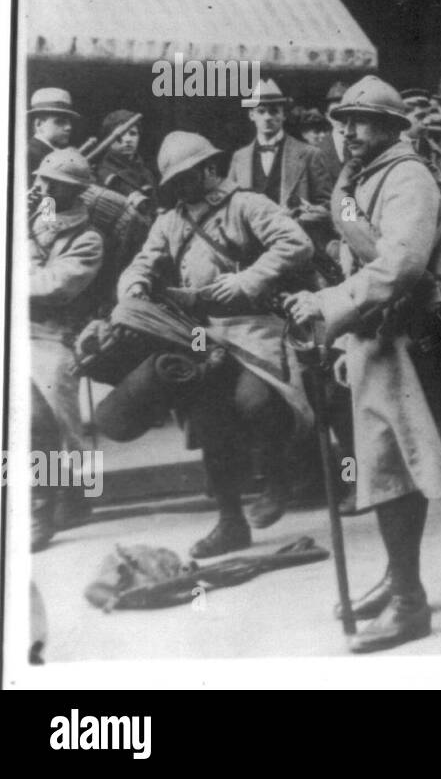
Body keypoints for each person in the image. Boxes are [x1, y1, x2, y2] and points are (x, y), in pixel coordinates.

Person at [284, 76, 441, 652]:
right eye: (343, 121)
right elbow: (354, 266)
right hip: (374, 340)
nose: (347, 131)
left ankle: (410, 604)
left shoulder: (408, 176)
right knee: (385, 464)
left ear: (392, 128)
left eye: (361, 120)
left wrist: (324, 307)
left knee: (393, 467)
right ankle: (399, 579)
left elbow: (401, 266)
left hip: (408, 339)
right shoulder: (361, 178)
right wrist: (344, 344)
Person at [120, 131, 316, 557]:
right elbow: (142, 263)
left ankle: (279, 477)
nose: (182, 187)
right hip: (202, 333)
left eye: (189, 176)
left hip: (257, 325)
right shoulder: (169, 220)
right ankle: (230, 522)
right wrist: (134, 286)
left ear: (211, 168)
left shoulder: (247, 204)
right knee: (208, 420)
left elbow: (297, 243)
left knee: (257, 403)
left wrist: (249, 278)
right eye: (175, 181)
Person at [29, 149, 104, 551]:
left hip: (54, 335)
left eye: (49, 184)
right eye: (39, 180)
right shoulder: (34, 219)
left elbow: (53, 288)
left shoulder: (87, 238)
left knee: (59, 421)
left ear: (72, 191)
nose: (39, 188)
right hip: (18, 328)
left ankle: (65, 499)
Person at [227, 79, 333, 224]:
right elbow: (230, 206)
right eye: (261, 111)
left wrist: (298, 219)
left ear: (284, 115)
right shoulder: (240, 158)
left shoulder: (309, 154)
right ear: (251, 115)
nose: (268, 117)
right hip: (250, 242)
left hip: (295, 239)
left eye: (274, 111)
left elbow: (326, 207)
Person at [94, 109, 157, 214]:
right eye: (120, 135)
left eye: (133, 134)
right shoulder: (99, 173)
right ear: (108, 139)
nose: (128, 139)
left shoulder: (147, 175)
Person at [28, 88, 79, 183]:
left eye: (69, 122)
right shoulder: (29, 155)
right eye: (60, 122)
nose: (68, 127)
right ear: (39, 124)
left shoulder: (57, 153)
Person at [316, 81, 351, 188]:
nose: (340, 118)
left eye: (344, 112)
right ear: (327, 116)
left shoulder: (364, 144)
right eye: (334, 113)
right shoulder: (318, 149)